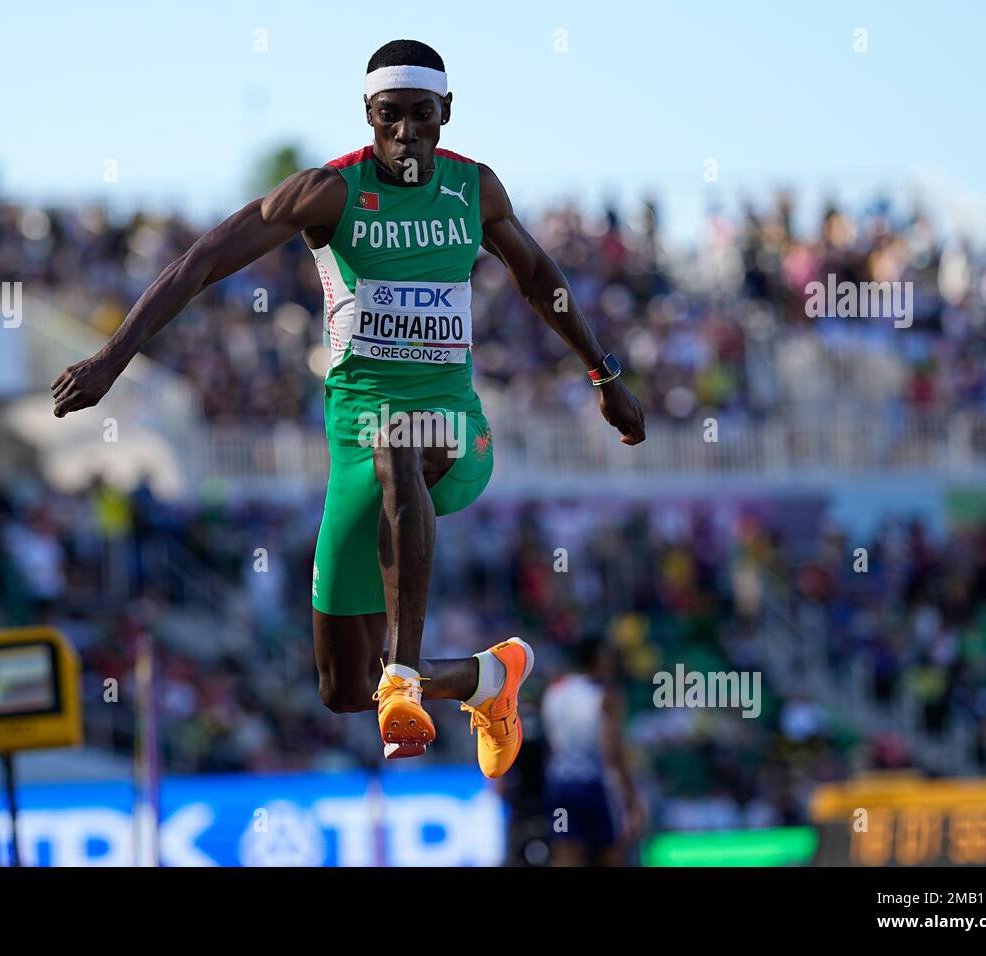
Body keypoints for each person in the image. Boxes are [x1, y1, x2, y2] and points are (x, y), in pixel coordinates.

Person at [51, 39, 646, 778]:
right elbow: (199, 262)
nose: (404, 134)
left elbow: (539, 278)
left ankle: (405, 673)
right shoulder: (326, 194)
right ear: (368, 115)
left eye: (420, 117)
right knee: (342, 688)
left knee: (401, 445)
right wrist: (113, 357)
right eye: (389, 117)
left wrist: (603, 374)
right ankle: (486, 681)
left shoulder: (474, 191)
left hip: (455, 434)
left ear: (446, 114)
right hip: (355, 450)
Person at [541, 635, 646, 865]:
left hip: (560, 785)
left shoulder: (555, 691)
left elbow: (550, 742)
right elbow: (611, 748)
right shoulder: (606, 695)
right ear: (599, 658)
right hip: (594, 785)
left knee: (565, 853)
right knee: (610, 853)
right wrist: (632, 798)